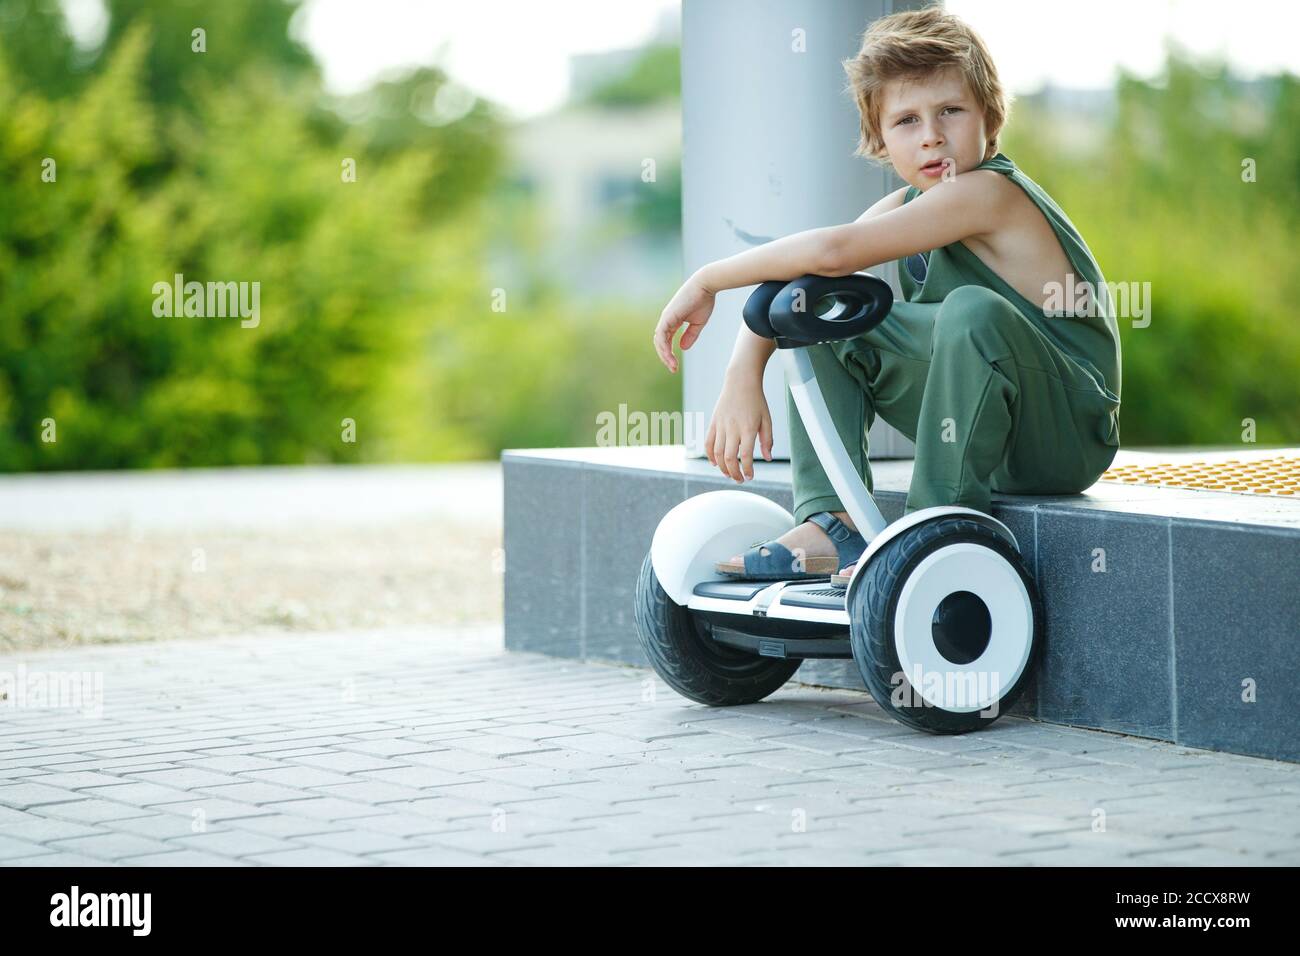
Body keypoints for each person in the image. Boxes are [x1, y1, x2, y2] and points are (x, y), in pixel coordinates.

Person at [651, 5, 1121, 583]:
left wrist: (707, 280)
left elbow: (834, 250)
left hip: (1064, 432)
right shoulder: (909, 209)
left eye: (951, 111)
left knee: (970, 311)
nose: (931, 136)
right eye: (906, 121)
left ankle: (929, 533)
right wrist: (743, 370)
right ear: (879, 136)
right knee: (820, 304)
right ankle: (834, 523)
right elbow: (815, 274)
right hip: (991, 429)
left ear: (989, 120)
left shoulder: (988, 193)